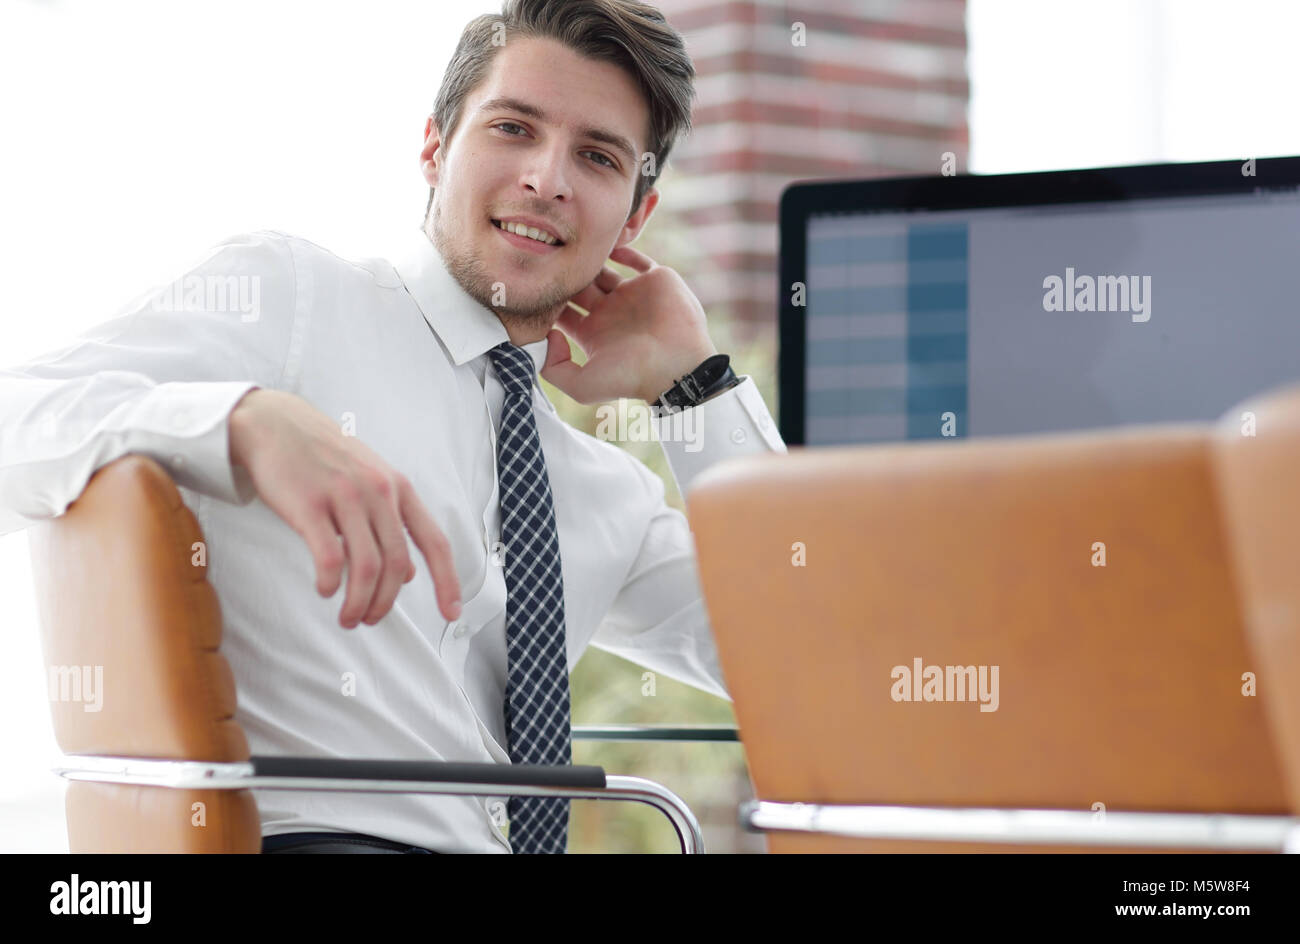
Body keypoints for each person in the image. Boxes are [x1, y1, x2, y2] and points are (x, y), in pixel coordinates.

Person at [0, 0, 786, 854]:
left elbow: (809, 663)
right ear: (434, 148)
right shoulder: (291, 300)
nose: (548, 178)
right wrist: (239, 422)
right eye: (514, 128)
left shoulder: (608, 499)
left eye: (596, 157)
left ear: (634, 217)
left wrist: (698, 389)